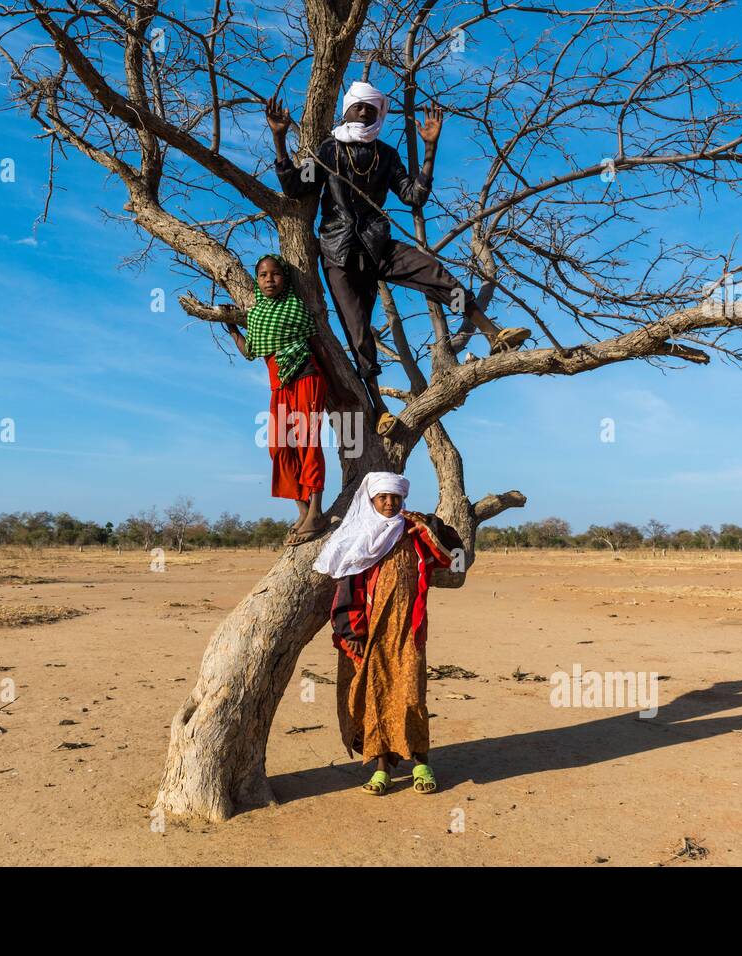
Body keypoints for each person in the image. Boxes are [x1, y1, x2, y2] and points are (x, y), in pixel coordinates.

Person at [267, 80, 532, 434]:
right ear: (346, 109)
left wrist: (430, 149)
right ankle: (379, 408)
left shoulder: (386, 155)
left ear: (379, 114)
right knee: (359, 333)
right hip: (339, 254)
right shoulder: (327, 152)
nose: (364, 112)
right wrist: (280, 139)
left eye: (371, 108)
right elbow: (295, 186)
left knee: (433, 272)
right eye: (358, 106)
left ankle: (492, 333)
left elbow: (414, 196)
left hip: (379, 247)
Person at [312, 471, 464, 795]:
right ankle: (381, 768)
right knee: (376, 697)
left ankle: (421, 762)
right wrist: (352, 631)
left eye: (395, 498)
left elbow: (451, 552)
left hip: (410, 631)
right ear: (372, 500)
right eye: (383, 498)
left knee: (411, 695)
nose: (390, 503)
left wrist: (430, 525)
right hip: (374, 634)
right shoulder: (359, 538)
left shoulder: (412, 530)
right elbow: (348, 585)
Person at [225, 254, 331, 546]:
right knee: (278, 447)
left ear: (285, 277)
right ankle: (303, 508)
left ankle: (317, 512)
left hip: (306, 378)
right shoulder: (257, 315)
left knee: (308, 443)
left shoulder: (296, 306)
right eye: (262, 275)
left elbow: (317, 345)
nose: (269, 279)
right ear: (257, 280)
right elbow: (250, 351)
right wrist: (233, 329)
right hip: (278, 387)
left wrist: (339, 385)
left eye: (275, 274)